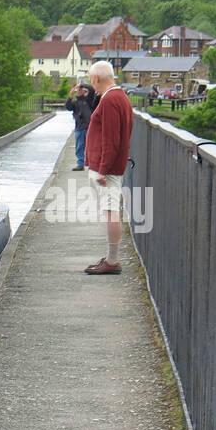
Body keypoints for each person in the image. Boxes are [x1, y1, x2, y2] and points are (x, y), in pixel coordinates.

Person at [83, 60, 134, 276]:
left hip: (109, 170)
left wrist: (102, 169)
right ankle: (111, 258)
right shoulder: (119, 97)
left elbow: (111, 139)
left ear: (96, 79)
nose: (91, 84)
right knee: (110, 210)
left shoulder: (110, 100)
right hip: (111, 167)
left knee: (112, 211)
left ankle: (113, 261)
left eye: (91, 79)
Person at [65, 82, 98, 170]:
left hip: (89, 127)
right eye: (77, 90)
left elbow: (92, 89)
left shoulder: (89, 100)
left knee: (91, 146)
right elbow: (68, 107)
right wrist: (70, 96)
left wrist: (82, 85)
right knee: (79, 146)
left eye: (80, 90)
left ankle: (91, 163)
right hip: (79, 127)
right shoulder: (75, 103)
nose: (78, 91)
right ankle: (80, 164)